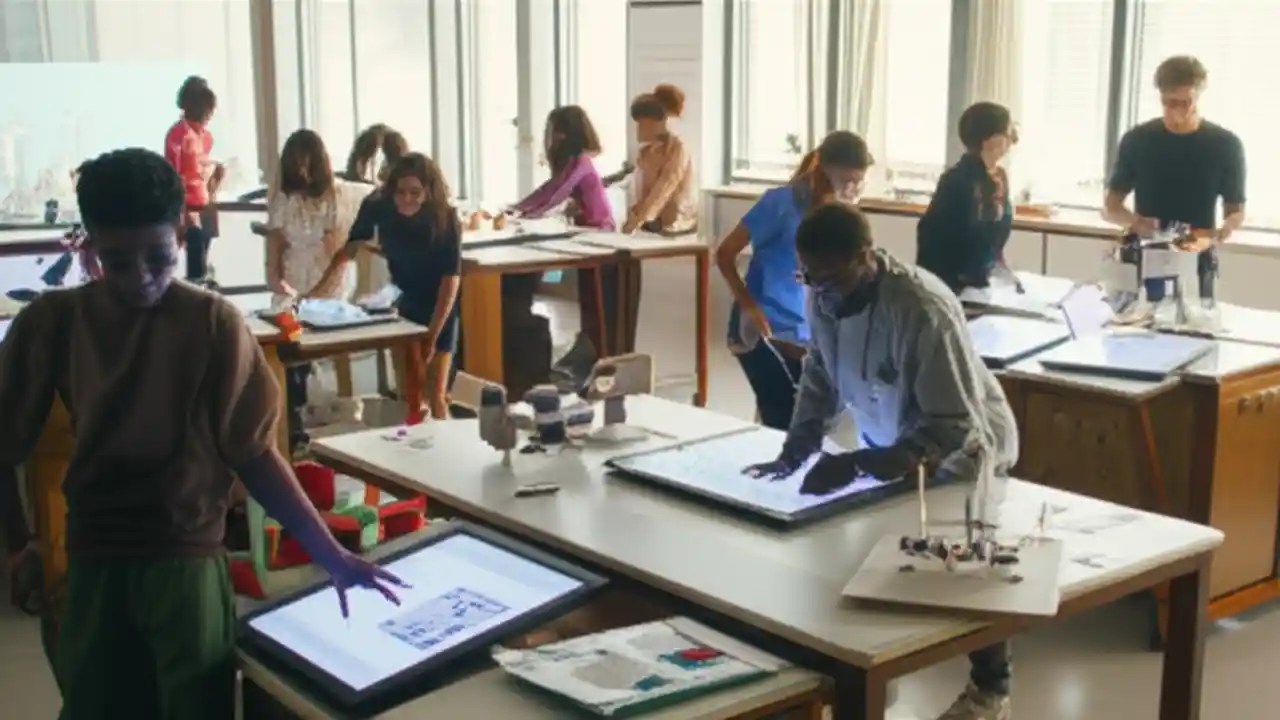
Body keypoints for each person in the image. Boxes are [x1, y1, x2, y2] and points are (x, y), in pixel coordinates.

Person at [0, 148, 401, 720]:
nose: (141, 278)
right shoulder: (53, 323)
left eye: (158, 257)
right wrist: (20, 545)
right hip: (93, 562)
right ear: (87, 253)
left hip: (185, 561)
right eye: (117, 262)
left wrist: (332, 555)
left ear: (183, 234)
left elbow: (254, 454)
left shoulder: (212, 323)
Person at [744, 204, 1017, 720]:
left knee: (960, 563)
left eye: (831, 279)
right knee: (877, 559)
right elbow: (821, 374)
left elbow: (953, 423)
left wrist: (856, 465)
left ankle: (991, 691)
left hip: (964, 446)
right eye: (810, 279)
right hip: (893, 434)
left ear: (866, 257)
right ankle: (872, 681)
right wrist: (797, 447)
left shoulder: (920, 309)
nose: (820, 293)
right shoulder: (824, 292)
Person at [715, 131, 872, 430]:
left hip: (805, 328)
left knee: (815, 416)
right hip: (762, 325)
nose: (851, 189)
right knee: (784, 417)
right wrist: (749, 306)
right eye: (846, 179)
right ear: (824, 169)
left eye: (858, 182)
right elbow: (725, 255)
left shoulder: (839, 214)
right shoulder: (781, 203)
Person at [309, 153, 462, 420]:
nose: (406, 199)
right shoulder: (378, 205)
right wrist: (315, 294)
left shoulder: (445, 218)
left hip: (440, 306)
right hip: (404, 302)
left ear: (429, 192)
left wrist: (432, 337)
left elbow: (451, 281)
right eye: (400, 192)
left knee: (435, 394)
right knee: (408, 395)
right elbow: (350, 249)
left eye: (415, 192)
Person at [1103, 55, 1246, 302]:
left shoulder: (1225, 145)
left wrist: (1226, 229)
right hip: (1146, 258)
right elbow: (1112, 205)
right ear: (1160, 97)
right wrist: (1137, 223)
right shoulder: (1138, 140)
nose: (1179, 110)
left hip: (1196, 260)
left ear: (1199, 94)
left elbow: (1236, 209)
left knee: (1195, 331)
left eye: (1186, 102)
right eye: (1171, 103)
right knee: (1135, 333)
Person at [266, 129, 347, 448]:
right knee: (289, 348)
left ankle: (306, 418)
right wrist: (285, 289)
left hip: (326, 282)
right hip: (292, 283)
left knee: (313, 344)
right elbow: (273, 263)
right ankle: (292, 421)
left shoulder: (332, 198)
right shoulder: (282, 202)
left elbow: (337, 255)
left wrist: (319, 294)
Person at [917, 102, 1019, 293]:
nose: (1013, 140)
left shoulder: (1000, 177)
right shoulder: (957, 180)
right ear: (991, 140)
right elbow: (936, 240)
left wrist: (1002, 269)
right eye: (1008, 133)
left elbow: (995, 236)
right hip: (953, 283)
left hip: (985, 279)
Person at [164, 75, 224, 285]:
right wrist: (182, 212)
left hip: (205, 201)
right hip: (187, 204)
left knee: (204, 251)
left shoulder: (207, 137)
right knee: (195, 255)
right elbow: (173, 174)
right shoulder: (177, 135)